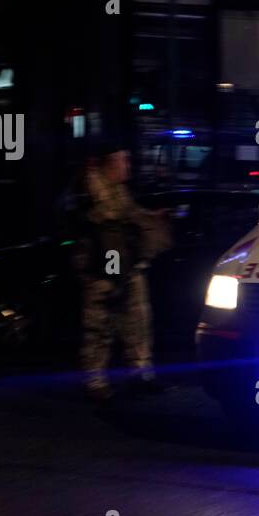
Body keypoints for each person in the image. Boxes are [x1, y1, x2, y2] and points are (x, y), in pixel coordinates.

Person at [80, 147, 164, 403]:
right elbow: (106, 221)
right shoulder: (94, 191)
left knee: (137, 324)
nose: (127, 166)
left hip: (126, 267)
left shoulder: (119, 192)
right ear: (109, 164)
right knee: (99, 328)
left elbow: (131, 218)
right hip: (103, 271)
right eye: (122, 161)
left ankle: (140, 374)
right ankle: (95, 383)